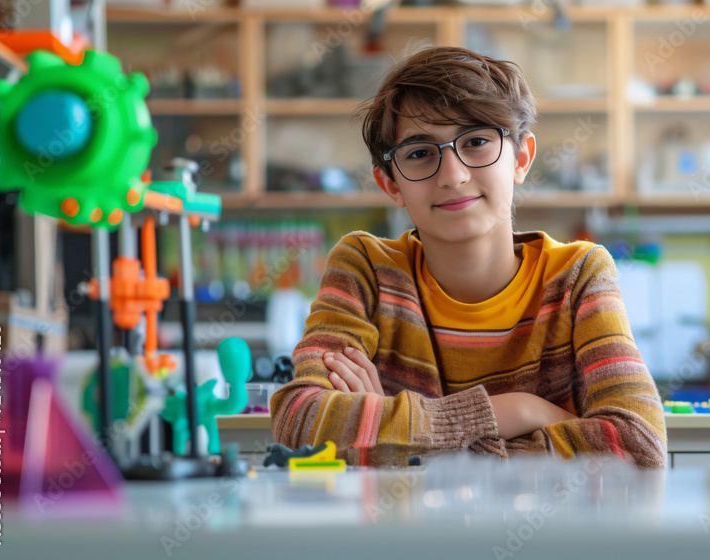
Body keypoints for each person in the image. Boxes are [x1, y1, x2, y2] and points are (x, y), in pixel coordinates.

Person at [269, 46, 666, 468]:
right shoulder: (364, 267)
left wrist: (387, 431)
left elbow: (637, 445)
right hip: (397, 534)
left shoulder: (578, 275)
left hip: (552, 533)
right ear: (391, 185)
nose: (453, 175)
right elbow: (301, 421)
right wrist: (520, 411)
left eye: (476, 142)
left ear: (522, 159)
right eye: (420, 153)